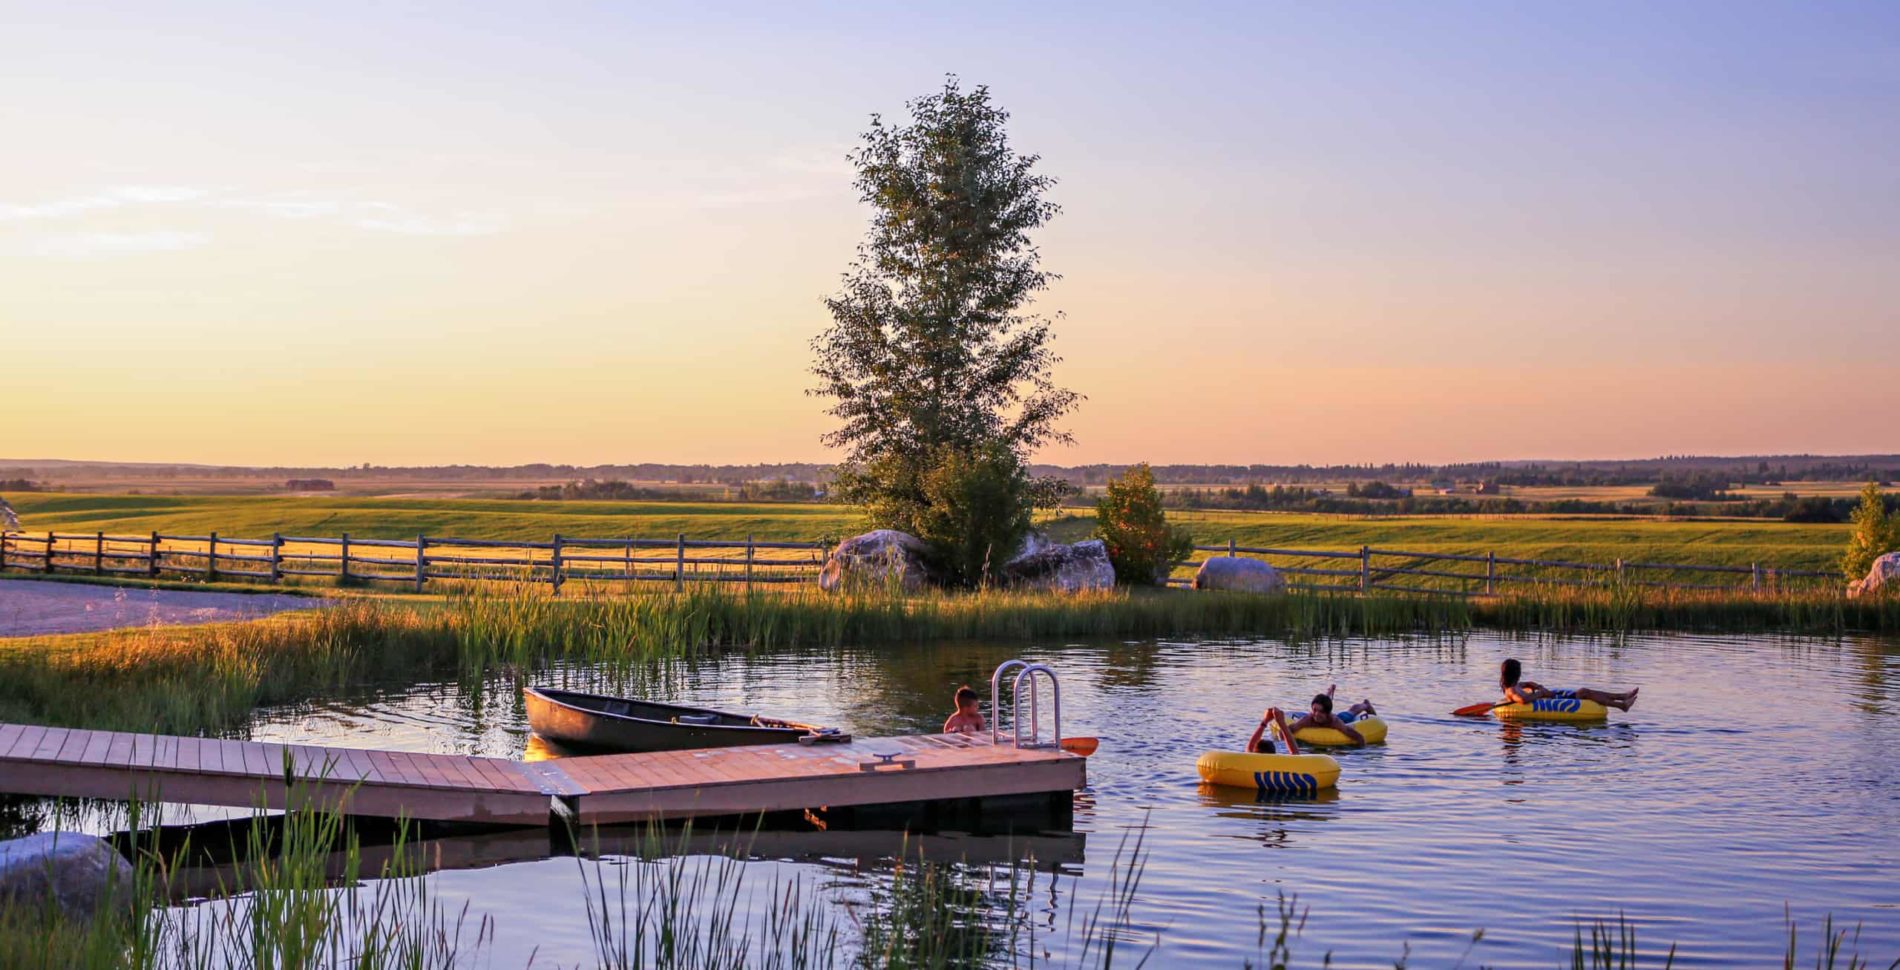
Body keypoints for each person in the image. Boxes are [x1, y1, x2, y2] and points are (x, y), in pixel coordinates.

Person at [1499, 658, 1637, 711]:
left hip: (1552, 696)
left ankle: (1622, 697)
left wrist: (1537, 686)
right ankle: (1621, 703)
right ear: (1515, 673)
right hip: (1552, 701)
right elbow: (1522, 700)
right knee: (1584, 692)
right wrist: (1540, 693)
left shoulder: (1517, 685)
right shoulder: (1511, 691)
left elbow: (1528, 683)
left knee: (1584, 691)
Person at [1285, 690, 1369, 747]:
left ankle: (1365, 705)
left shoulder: (1334, 722)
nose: (1316, 714)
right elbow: (1289, 729)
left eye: (1321, 711)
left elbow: (1358, 737)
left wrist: (1361, 751)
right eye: (1314, 710)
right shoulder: (1308, 719)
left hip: (1340, 718)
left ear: (1327, 713)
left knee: (1350, 713)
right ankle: (1329, 691)